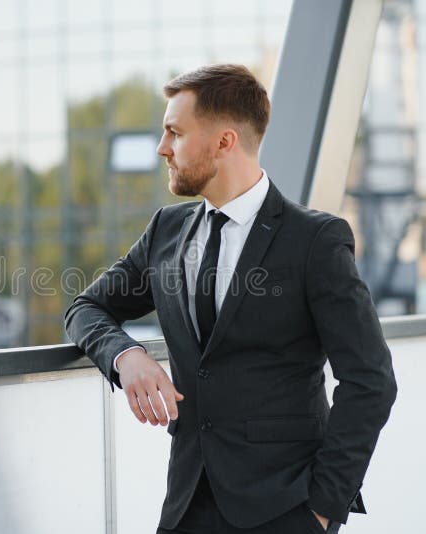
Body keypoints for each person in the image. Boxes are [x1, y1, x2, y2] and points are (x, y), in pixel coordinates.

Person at [64, 64, 397, 534]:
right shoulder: (167, 230)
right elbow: (85, 309)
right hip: (185, 507)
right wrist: (126, 356)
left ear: (224, 142)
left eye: (174, 133)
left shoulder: (315, 240)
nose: (163, 148)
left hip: (286, 508)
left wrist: (323, 508)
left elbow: (371, 381)